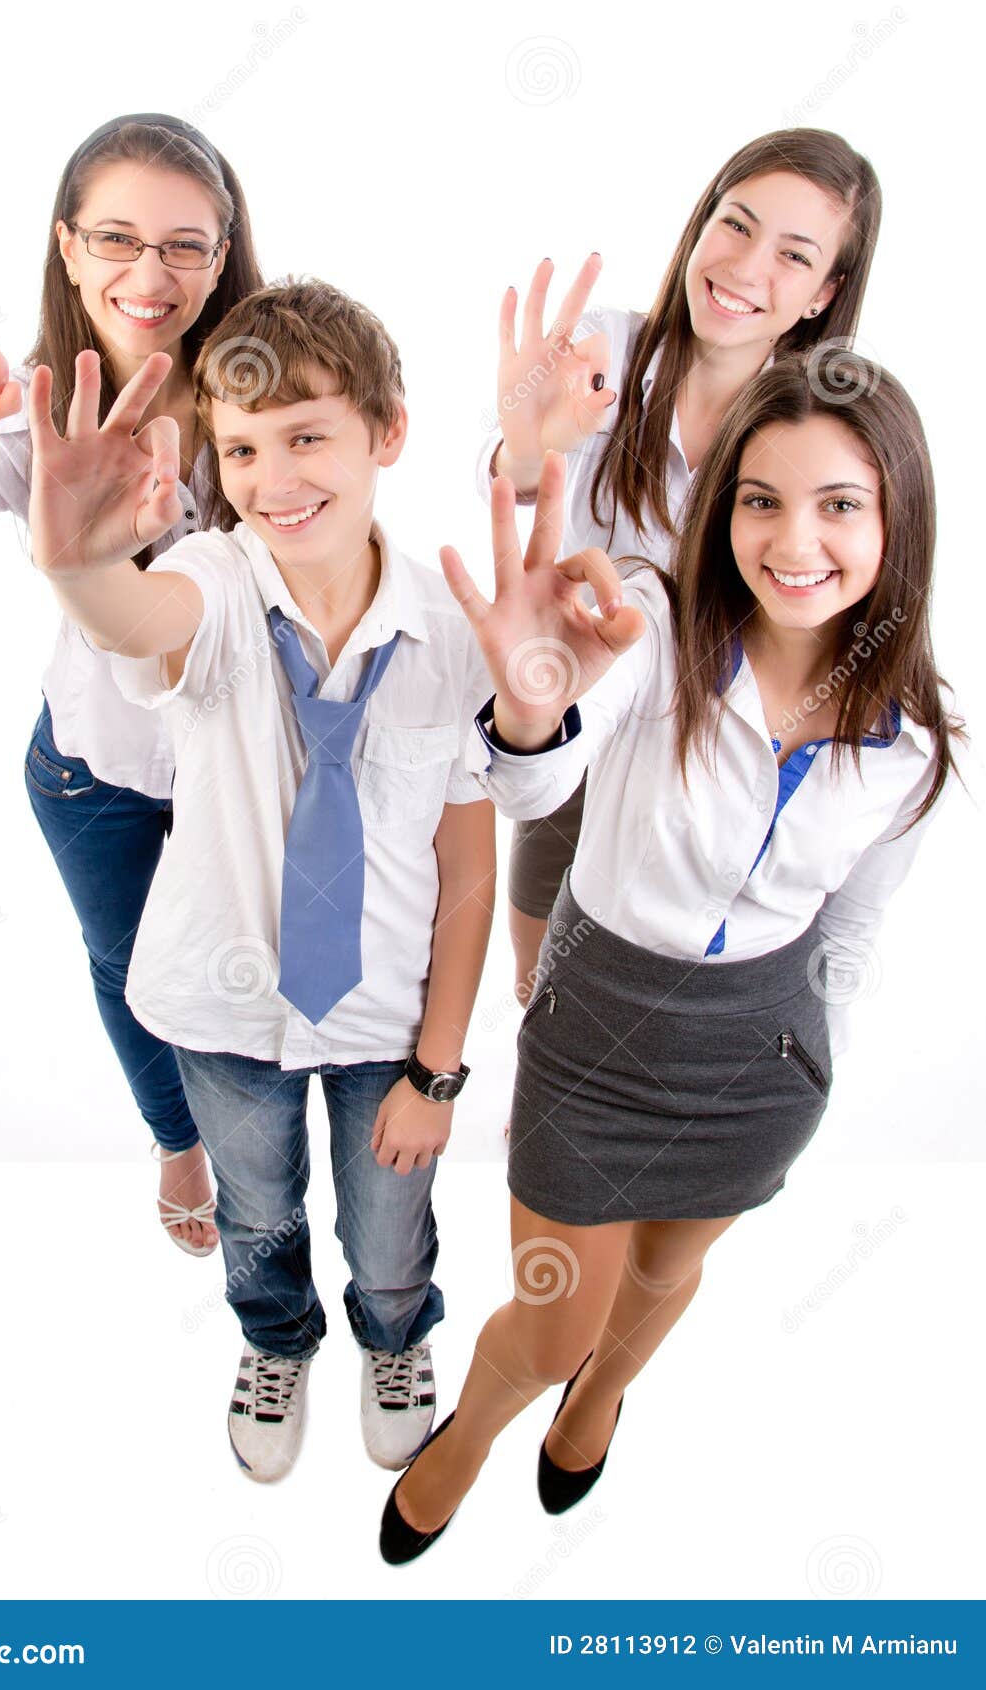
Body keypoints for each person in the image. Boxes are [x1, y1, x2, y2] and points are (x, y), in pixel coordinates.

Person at [379, 351, 962, 1563]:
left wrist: (816, 1056)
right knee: (548, 1323)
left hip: (763, 1055)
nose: (794, 539)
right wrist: (534, 700)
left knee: (666, 1266)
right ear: (723, 510)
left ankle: (600, 1402)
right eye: (760, 499)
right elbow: (530, 782)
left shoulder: (914, 738)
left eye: (840, 503)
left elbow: (852, 925)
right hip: (599, 1025)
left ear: (897, 517)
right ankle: (479, 1429)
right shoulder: (654, 630)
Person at [24, 279, 496, 1484]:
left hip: (386, 1018)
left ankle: (394, 1336)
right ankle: (276, 1340)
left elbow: (466, 871)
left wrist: (438, 1069)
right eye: (239, 449)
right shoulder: (221, 583)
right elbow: (139, 613)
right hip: (226, 1016)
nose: (272, 478)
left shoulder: (446, 630)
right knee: (258, 1213)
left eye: (306, 437)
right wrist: (76, 557)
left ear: (387, 434)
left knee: (391, 1229)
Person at [0, 114, 265, 1257]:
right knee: (130, 970)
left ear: (225, 251)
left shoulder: (265, 393)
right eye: (119, 239)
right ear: (69, 248)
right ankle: (176, 1140)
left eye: (187, 245)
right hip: (96, 773)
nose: (152, 274)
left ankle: (264, 1168)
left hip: (247, 762)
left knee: (247, 988)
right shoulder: (24, 415)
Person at [478, 127, 882, 1016]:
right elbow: (504, 485)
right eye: (734, 225)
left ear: (825, 293)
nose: (744, 267)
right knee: (545, 984)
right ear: (699, 223)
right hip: (572, 718)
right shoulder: (608, 351)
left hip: (705, 746)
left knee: (683, 992)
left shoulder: (808, 421)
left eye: (793, 254)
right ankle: (549, 1096)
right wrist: (530, 441)